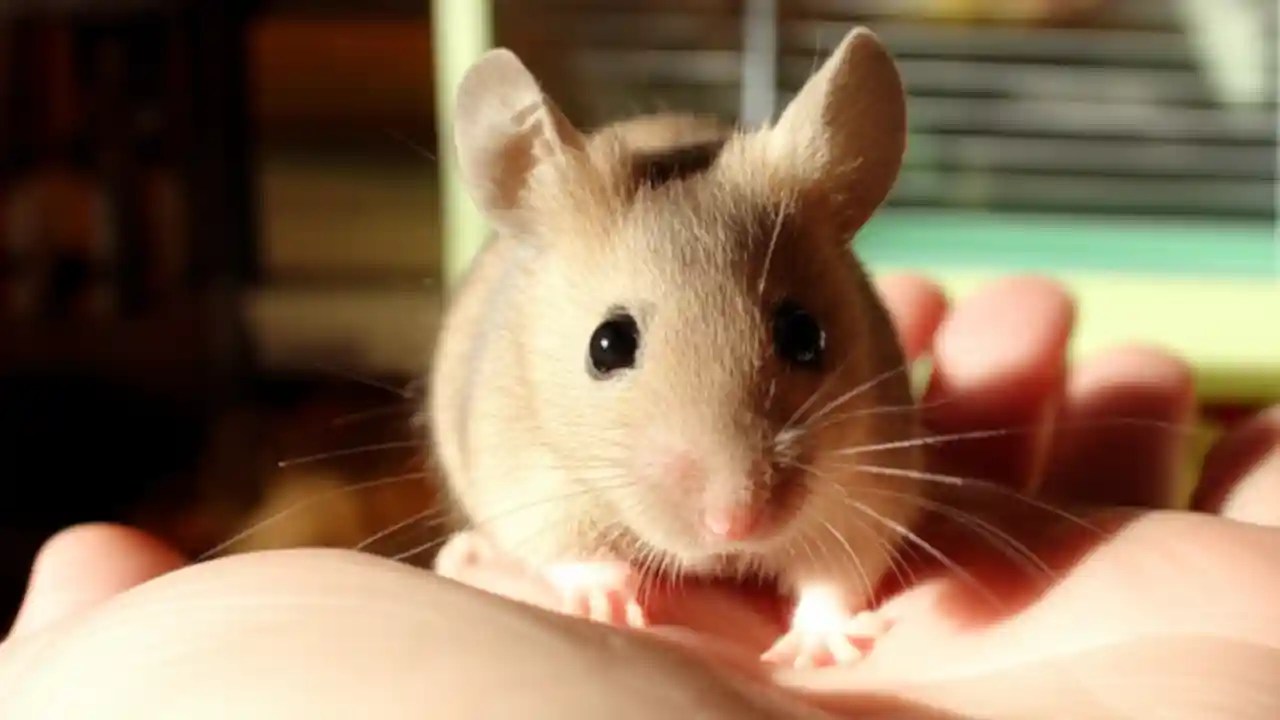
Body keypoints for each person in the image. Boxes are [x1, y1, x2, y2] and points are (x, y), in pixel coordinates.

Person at [2, 275, 1277, 718]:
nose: (733, 503)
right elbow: (509, 474)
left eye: (793, 341)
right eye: (614, 351)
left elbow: (869, 496)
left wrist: (832, 596)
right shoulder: (513, 375)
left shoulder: (850, 371)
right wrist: (571, 564)